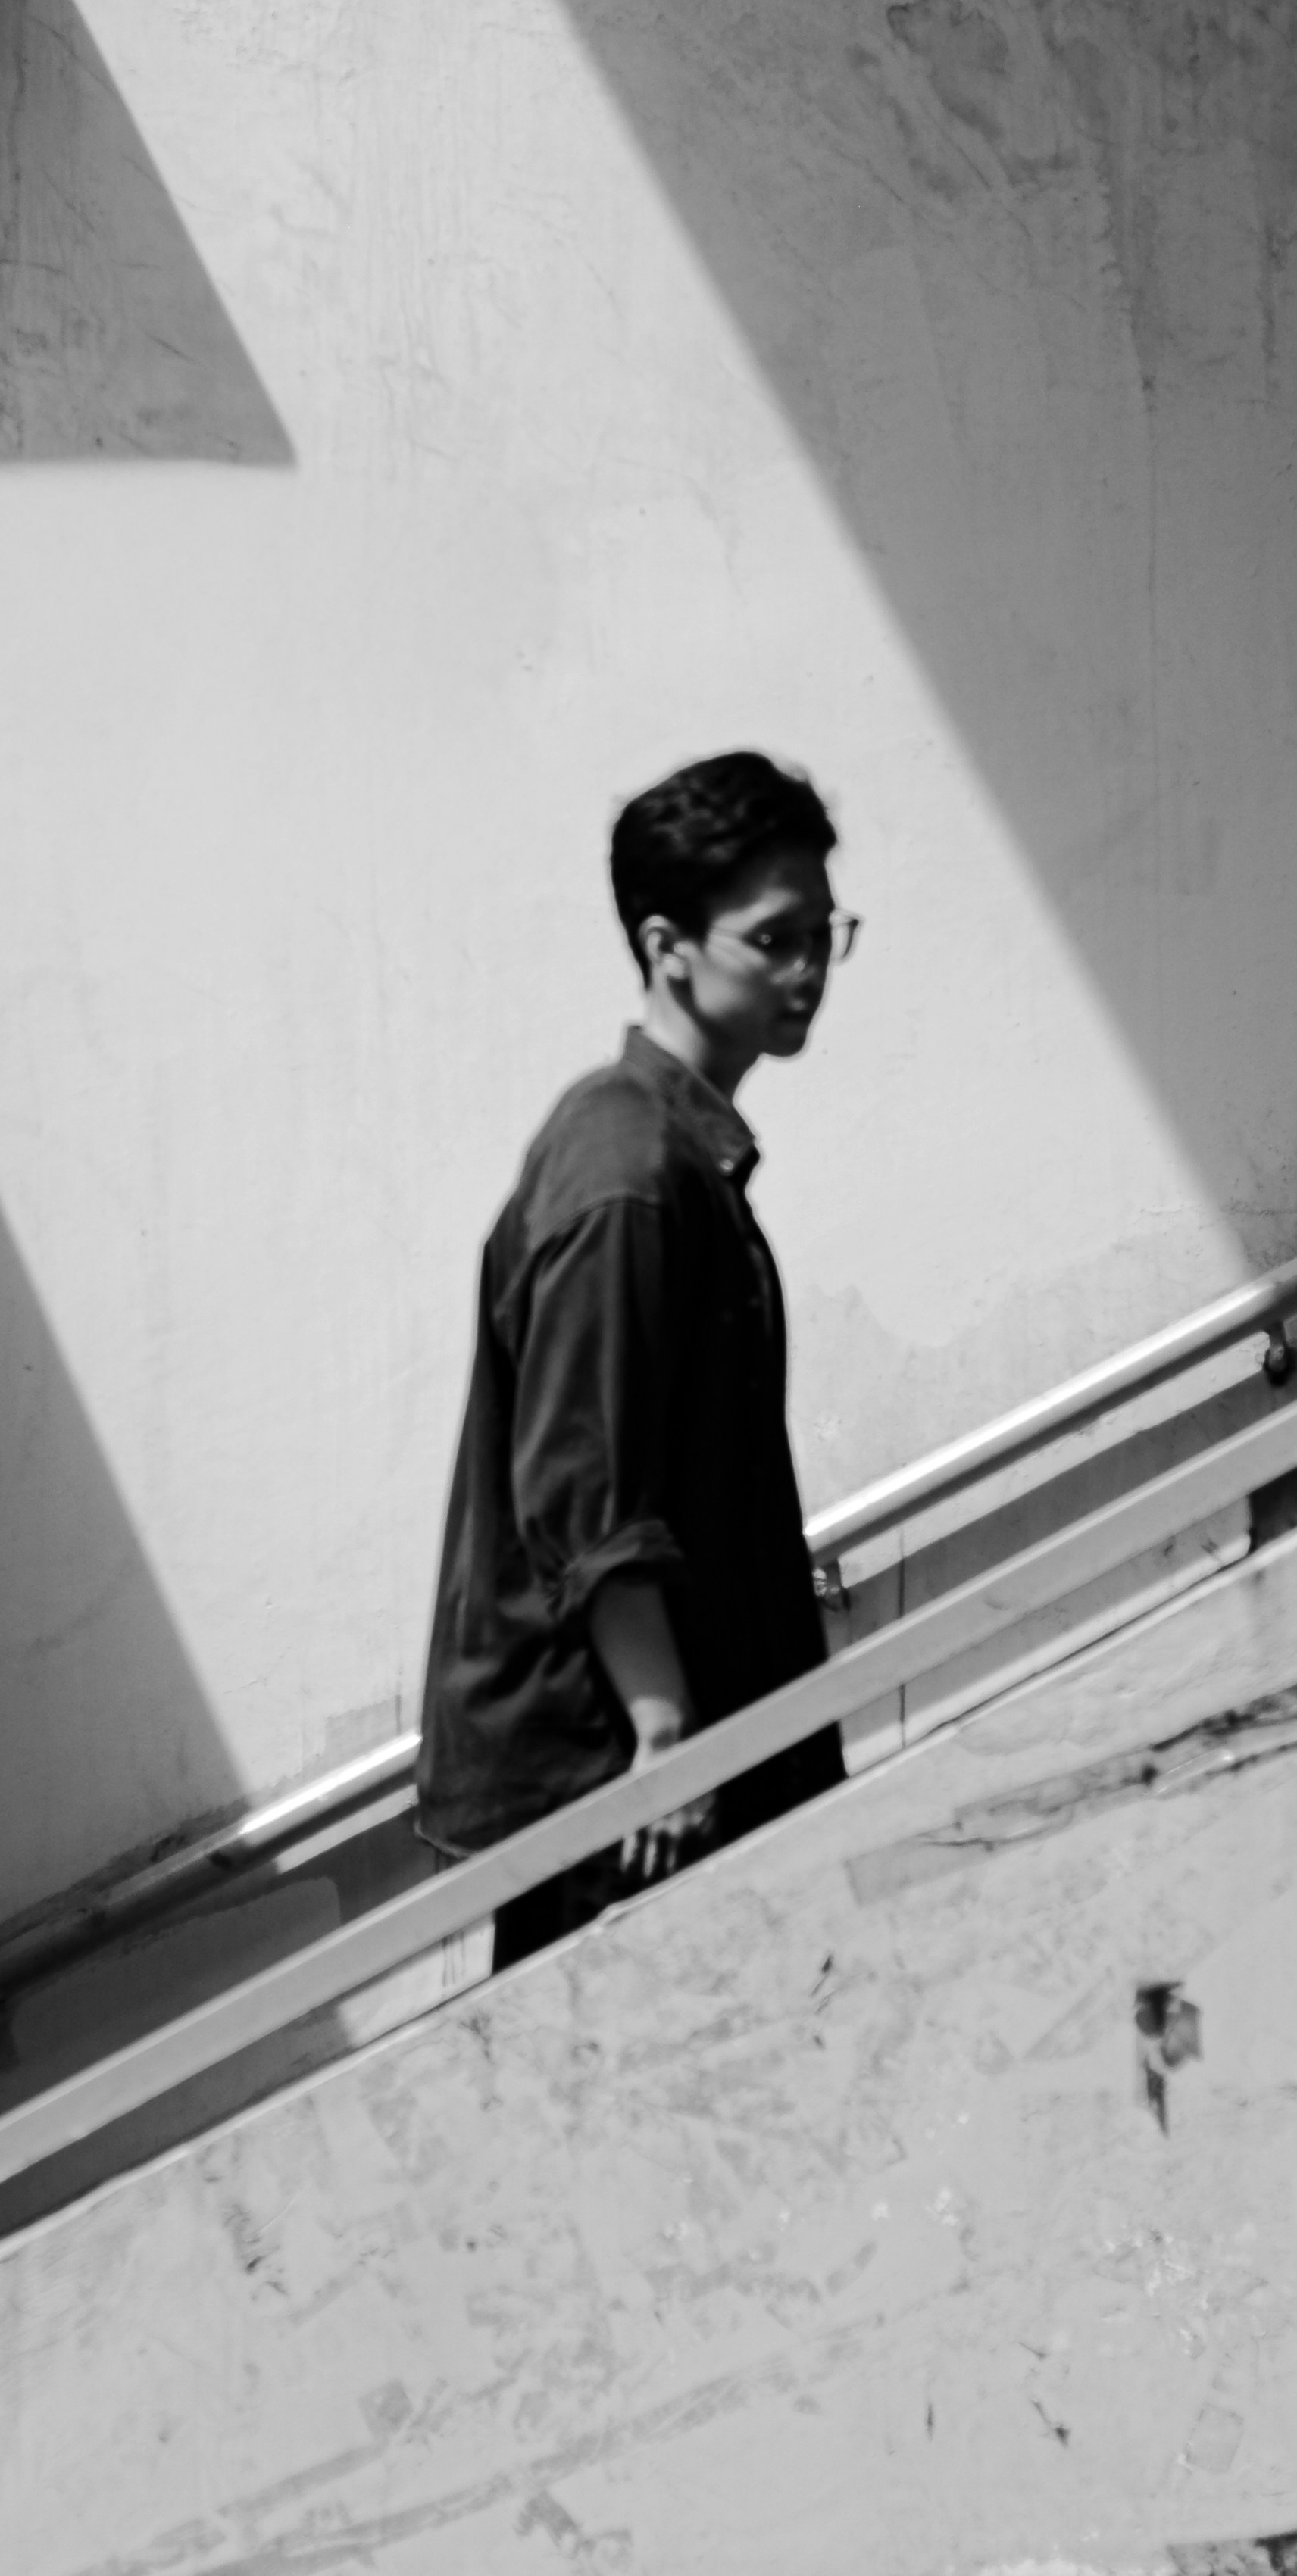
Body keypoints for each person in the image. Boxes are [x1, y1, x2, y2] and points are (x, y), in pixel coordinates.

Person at [416, 749, 858, 1968]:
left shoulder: (665, 1151)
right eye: (775, 938)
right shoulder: (627, 1173)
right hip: (634, 1791)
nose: (809, 968)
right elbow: (584, 1483)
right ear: (670, 945)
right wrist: (667, 1734)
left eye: (827, 933)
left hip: (675, 1765)